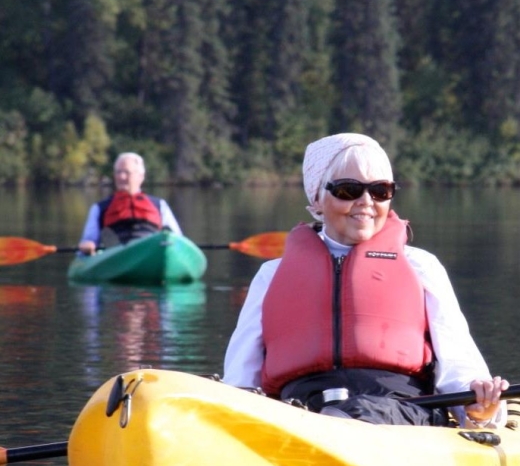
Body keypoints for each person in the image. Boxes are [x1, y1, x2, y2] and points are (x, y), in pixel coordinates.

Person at [223, 132, 508, 428]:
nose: (366, 202)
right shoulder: (272, 275)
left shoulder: (421, 266)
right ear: (317, 199)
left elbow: (459, 363)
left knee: (354, 413)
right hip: (298, 414)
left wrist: (478, 405)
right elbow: (240, 380)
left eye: (380, 191)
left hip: (399, 410)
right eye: (349, 190)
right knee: (326, 418)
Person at [78, 152, 182, 254]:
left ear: (141, 176)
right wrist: (88, 245)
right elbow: (88, 240)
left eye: (127, 172)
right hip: (116, 253)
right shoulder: (100, 208)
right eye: (118, 172)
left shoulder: (159, 205)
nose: (122, 177)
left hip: (152, 249)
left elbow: (177, 239)